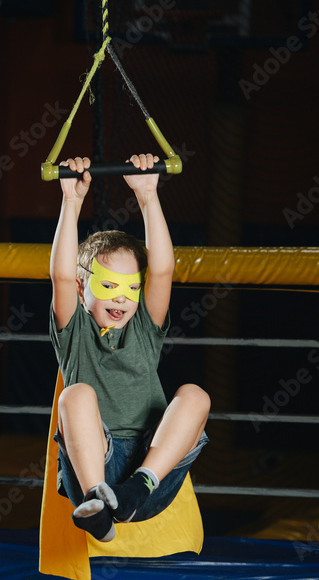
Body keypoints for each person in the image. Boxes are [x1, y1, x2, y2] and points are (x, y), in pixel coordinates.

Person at [49, 152, 210, 543]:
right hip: (96, 466)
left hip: (151, 471)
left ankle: (134, 489)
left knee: (195, 396)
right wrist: (71, 201)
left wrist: (147, 195)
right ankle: (97, 506)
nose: (121, 299)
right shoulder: (75, 331)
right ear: (82, 287)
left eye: (131, 288)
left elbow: (162, 270)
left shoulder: (143, 326)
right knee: (75, 395)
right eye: (108, 286)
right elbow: (60, 272)